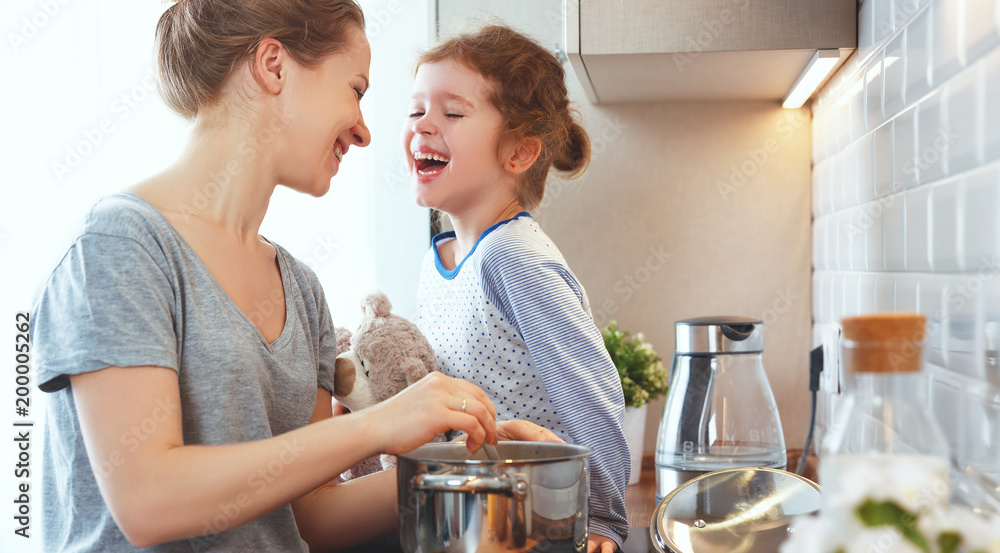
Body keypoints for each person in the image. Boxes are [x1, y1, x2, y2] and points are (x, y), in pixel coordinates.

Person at [30, 2, 557, 552]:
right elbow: (148, 501)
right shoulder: (124, 247)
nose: (364, 130)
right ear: (274, 66)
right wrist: (379, 425)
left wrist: (470, 469)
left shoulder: (300, 288)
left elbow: (312, 517)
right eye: (355, 89)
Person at [404, 25, 630, 553]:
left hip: (535, 521)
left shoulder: (513, 257)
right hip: (472, 516)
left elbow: (590, 392)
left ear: (519, 153)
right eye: (416, 111)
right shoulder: (438, 256)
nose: (424, 125)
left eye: (452, 113)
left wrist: (603, 520)